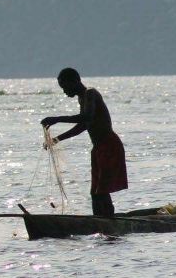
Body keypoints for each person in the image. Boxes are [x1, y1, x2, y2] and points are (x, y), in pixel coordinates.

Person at [40, 68, 127, 216]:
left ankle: (108, 224)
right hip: (99, 148)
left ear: (75, 81)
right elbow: (83, 126)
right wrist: (56, 139)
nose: (65, 92)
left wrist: (56, 119)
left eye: (65, 87)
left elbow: (86, 117)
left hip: (109, 146)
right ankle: (99, 222)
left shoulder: (90, 93)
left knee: (102, 191)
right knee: (95, 192)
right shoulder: (82, 98)